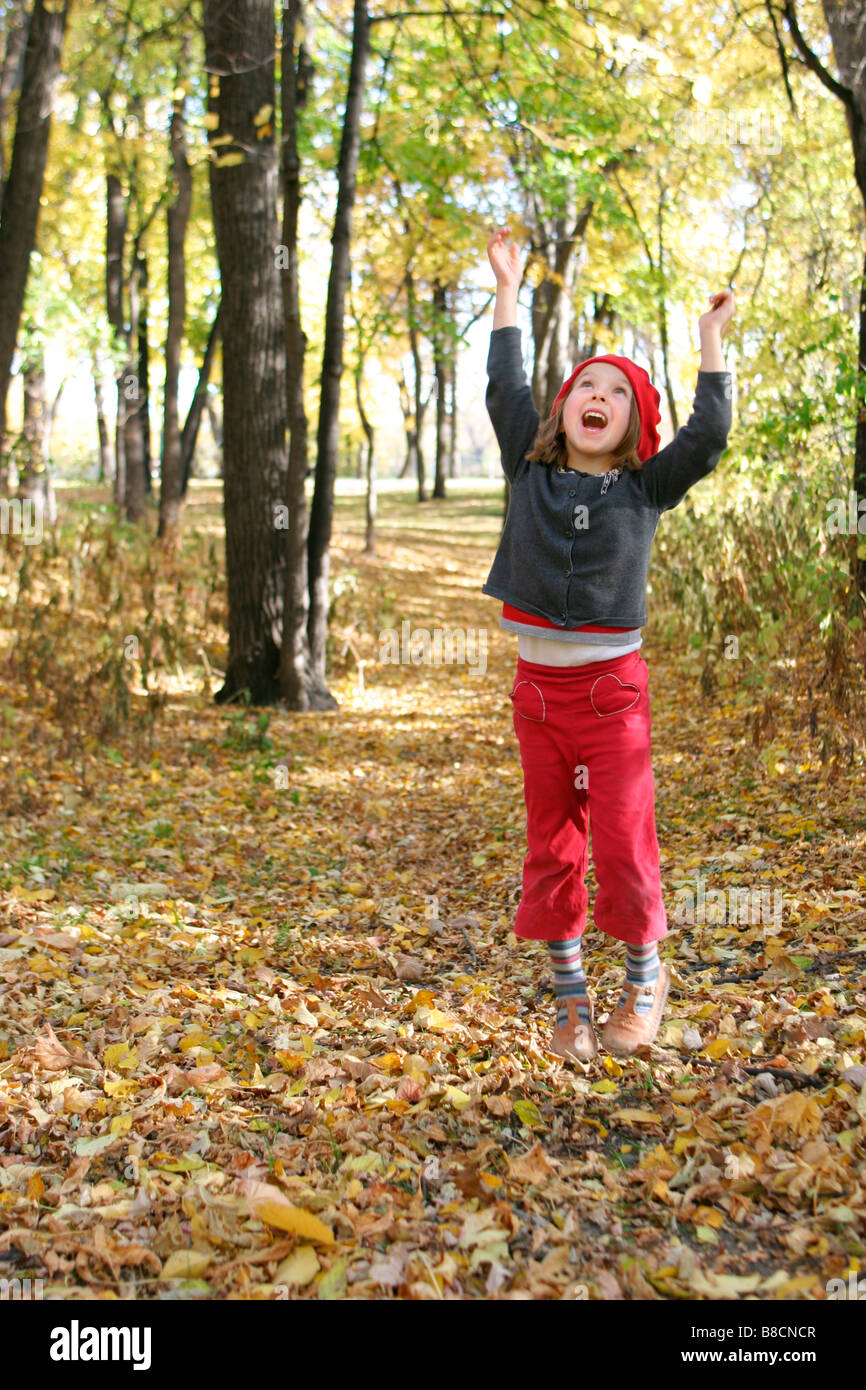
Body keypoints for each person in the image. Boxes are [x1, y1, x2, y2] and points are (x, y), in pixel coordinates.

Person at [484, 225, 735, 1063]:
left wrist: (708, 346)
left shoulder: (645, 488)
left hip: (612, 697)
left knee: (625, 849)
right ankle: (568, 1001)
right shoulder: (531, 467)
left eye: (616, 391)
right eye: (584, 385)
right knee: (551, 847)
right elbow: (504, 380)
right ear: (562, 410)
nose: (596, 395)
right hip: (538, 700)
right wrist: (508, 288)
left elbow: (708, 439)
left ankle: (643, 981)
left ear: (633, 423)